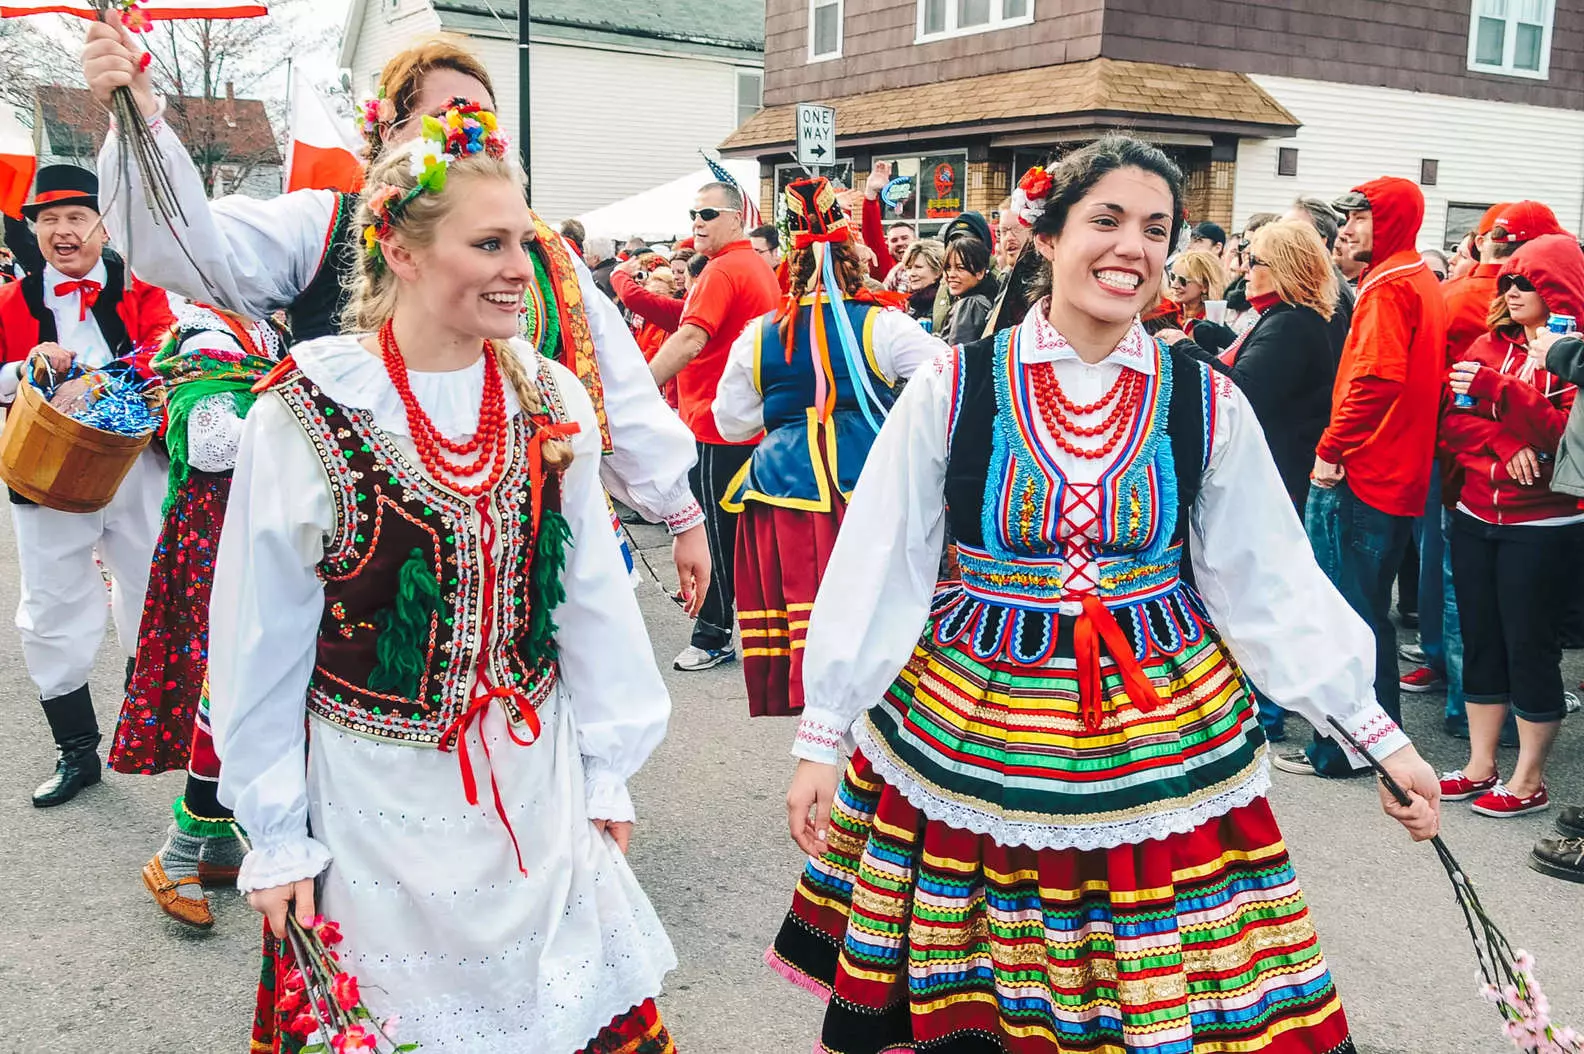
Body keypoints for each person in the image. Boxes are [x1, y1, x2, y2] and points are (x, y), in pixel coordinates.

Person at [769, 135, 1439, 1054]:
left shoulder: (1203, 399)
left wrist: (1373, 732)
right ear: (1047, 235)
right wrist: (824, 733)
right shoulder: (953, 385)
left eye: (1155, 229)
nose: (1132, 246)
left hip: (1159, 718)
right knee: (990, 980)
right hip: (975, 719)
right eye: (1107, 220)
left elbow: (1266, 576)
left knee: (1160, 975)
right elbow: (883, 559)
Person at [210, 103, 677, 1053]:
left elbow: (589, 593)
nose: (522, 267)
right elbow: (260, 633)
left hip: (530, 783)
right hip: (371, 803)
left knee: (550, 1006)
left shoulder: (550, 395)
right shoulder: (311, 409)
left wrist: (605, 769)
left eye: (527, 240)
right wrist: (274, 828)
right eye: (492, 243)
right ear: (405, 252)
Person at [82, 16, 713, 620]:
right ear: (387, 135)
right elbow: (188, 250)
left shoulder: (546, 255)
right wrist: (140, 116)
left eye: (483, 121)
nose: (469, 137)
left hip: (517, 543)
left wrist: (679, 512)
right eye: (446, 119)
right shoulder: (322, 225)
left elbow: (618, 386)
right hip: (366, 554)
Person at [711, 177, 944, 717]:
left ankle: (815, 708)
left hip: (782, 486)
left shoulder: (759, 334)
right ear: (853, 257)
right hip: (868, 482)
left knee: (804, 607)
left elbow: (730, 422)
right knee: (879, 601)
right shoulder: (885, 325)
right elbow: (946, 380)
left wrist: (785, 414)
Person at [0, 164, 175, 807]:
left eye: (76, 218)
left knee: (152, 587)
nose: (62, 231)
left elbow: (169, 347)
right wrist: (27, 368)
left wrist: (101, 381)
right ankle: (75, 752)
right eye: (48, 220)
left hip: (135, 465)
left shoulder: (144, 287)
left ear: (103, 226)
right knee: (51, 606)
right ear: (33, 231)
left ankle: (147, 723)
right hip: (45, 474)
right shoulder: (12, 302)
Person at [108, 302, 282, 928]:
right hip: (219, 542)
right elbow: (209, 444)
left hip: (244, 535)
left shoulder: (256, 327)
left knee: (240, 686)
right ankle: (178, 853)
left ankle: (212, 844)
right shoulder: (210, 331)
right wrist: (299, 425)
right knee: (230, 686)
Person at [1274, 177, 1448, 780]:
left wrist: (1331, 447)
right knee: (1367, 615)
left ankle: (1343, 746)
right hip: (1397, 474)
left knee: (1345, 618)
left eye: (1361, 216)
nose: (1346, 228)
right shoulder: (1416, 279)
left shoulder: (1391, 286)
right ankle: (1373, 741)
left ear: (1392, 222)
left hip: (1366, 474)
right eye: (1346, 216)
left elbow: (1376, 378)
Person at [1438, 233, 1584, 819]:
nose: (1515, 290)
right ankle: (1480, 764)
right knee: (1482, 640)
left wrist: (1498, 392)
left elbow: (1563, 437)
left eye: (1531, 281)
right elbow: (1454, 422)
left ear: (1561, 288)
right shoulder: (1485, 342)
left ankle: (1529, 778)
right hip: (1478, 512)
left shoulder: (1572, 356)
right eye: (1510, 280)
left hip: (1545, 523)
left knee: (1530, 645)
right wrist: (1499, 449)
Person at [648, 180, 781, 670]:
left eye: (707, 214)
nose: (697, 223)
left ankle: (712, 634)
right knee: (741, 536)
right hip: (746, 423)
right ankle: (743, 629)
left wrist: (635, 395)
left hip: (716, 423)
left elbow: (689, 339)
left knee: (715, 537)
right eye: (692, 214)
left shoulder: (724, 269)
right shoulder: (755, 266)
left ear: (735, 219)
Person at [939, 236, 997, 344]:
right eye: (947, 268)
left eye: (960, 268)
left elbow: (959, 354)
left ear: (980, 272)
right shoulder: (985, 300)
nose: (951, 275)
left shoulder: (970, 305)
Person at [1163, 248, 1225, 327]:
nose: (1174, 285)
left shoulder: (1212, 320)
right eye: (1173, 277)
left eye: (1182, 280)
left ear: (1204, 286)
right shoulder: (1166, 311)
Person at [900, 239, 944, 327]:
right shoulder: (916, 302)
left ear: (937, 271)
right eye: (909, 268)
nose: (911, 274)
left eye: (918, 267)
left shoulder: (942, 304)